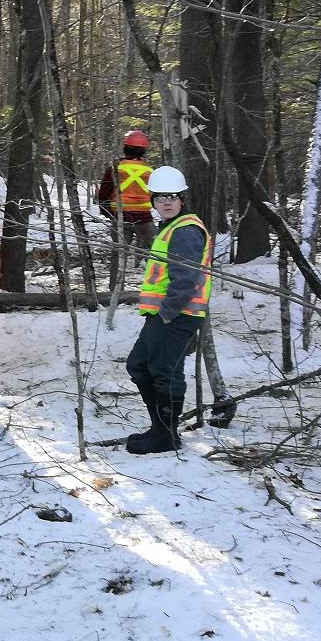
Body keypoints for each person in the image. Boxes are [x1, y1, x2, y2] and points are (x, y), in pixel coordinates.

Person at [125, 166, 211, 455]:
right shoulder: (171, 228)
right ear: (152, 200)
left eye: (172, 196)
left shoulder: (185, 231)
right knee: (139, 365)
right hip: (164, 314)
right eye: (160, 197)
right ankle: (160, 428)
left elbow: (186, 280)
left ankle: (165, 436)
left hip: (175, 315)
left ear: (182, 197)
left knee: (165, 373)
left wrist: (167, 312)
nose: (166, 202)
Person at [97, 130, 155, 289]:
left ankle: (116, 290)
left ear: (125, 148)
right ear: (143, 150)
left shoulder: (115, 168)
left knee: (118, 255)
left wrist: (107, 213)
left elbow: (104, 193)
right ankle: (161, 284)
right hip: (144, 219)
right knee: (159, 252)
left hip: (121, 217)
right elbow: (155, 195)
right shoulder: (149, 171)